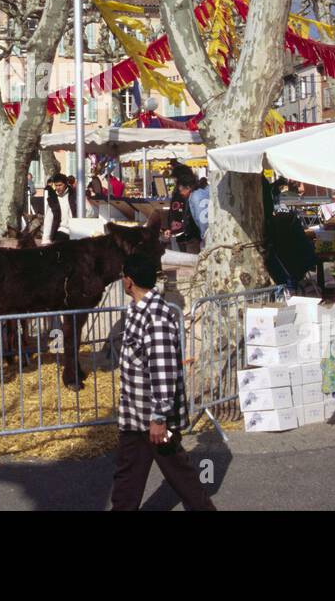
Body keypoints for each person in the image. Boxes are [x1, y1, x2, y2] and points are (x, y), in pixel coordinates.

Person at [110, 254, 216, 511]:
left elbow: (163, 370)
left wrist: (158, 418)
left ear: (128, 282)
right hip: (136, 415)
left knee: (180, 473)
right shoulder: (139, 310)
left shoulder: (155, 318)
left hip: (153, 418)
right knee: (129, 475)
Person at [173, 172, 205, 254]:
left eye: (181, 190)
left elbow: (199, 218)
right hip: (193, 236)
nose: (180, 193)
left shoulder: (195, 197)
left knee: (193, 262)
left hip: (194, 237)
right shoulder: (197, 195)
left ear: (188, 187)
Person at [43, 172, 79, 244]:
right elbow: (48, 219)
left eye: (60, 185)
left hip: (76, 231)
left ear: (65, 184)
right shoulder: (53, 200)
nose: (58, 188)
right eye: (56, 185)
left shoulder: (74, 195)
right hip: (61, 231)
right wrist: (46, 239)